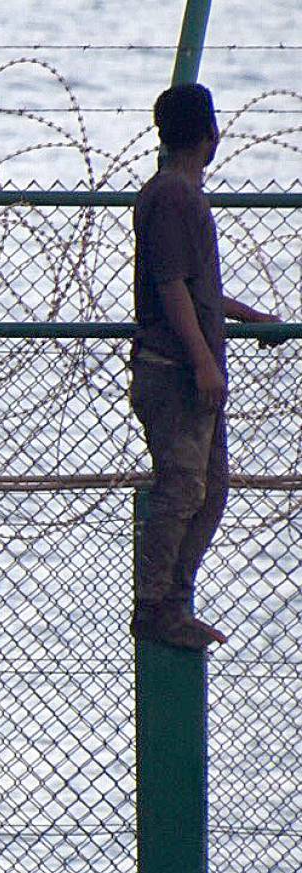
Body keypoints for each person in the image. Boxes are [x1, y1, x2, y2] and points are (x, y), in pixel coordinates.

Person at [129, 82, 284, 648]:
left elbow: (196, 291)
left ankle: (175, 600)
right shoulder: (174, 197)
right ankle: (155, 607)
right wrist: (203, 362)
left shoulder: (180, 194)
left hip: (187, 366)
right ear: (210, 138)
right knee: (181, 490)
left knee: (209, 489)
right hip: (172, 369)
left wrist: (247, 318)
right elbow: (171, 288)